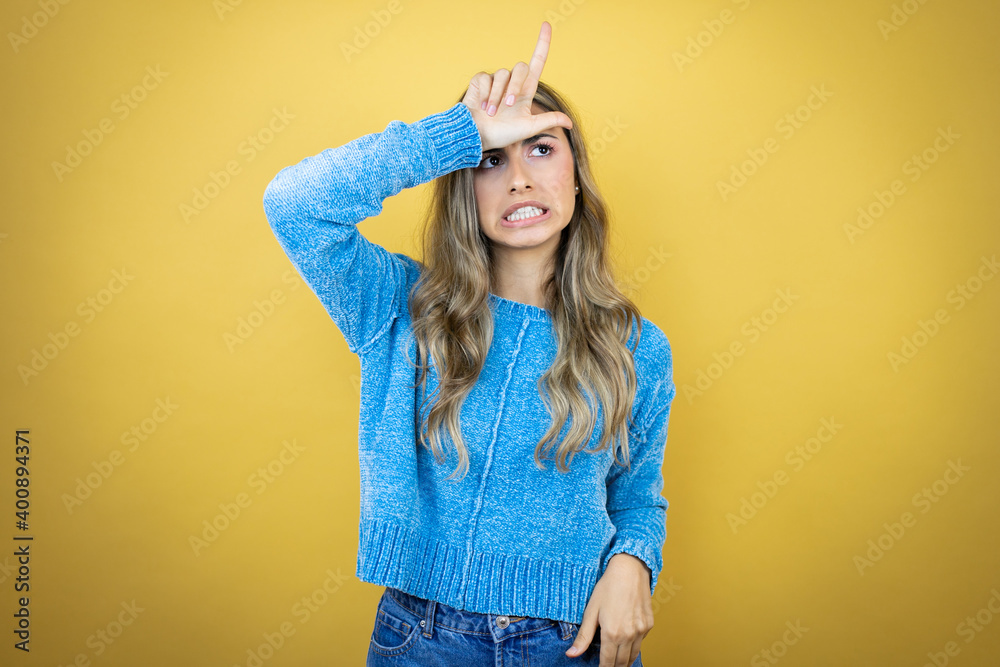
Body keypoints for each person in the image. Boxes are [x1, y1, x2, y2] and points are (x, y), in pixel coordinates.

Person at [262, 21, 675, 667]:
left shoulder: (638, 347)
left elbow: (636, 494)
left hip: (572, 640)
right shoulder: (399, 307)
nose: (518, 179)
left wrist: (633, 563)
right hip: (422, 636)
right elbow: (295, 204)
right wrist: (457, 135)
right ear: (463, 184)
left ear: (575, 173)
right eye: (492, 160)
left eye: (540, 149)